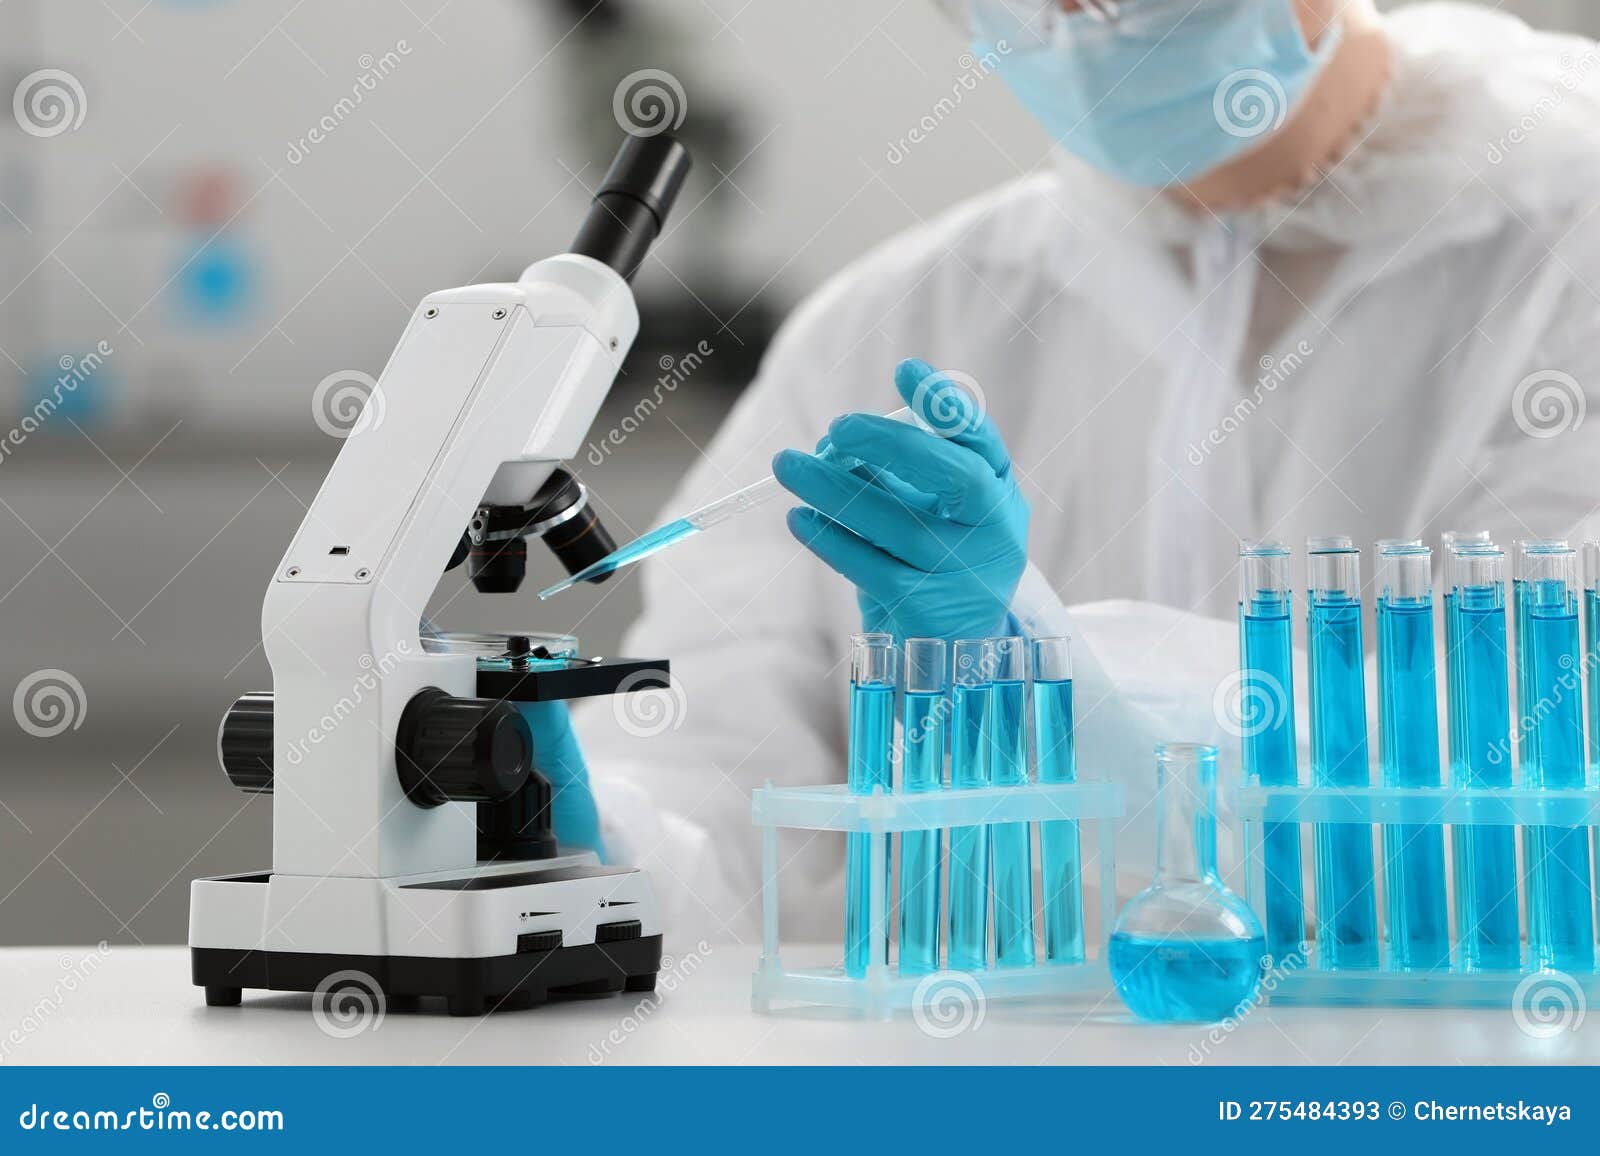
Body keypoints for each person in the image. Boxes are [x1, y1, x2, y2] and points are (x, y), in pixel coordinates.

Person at [545, 0, 1600, 944]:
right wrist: (586, 834)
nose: (1078, 14)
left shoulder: (1569, 241)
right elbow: (720, 774)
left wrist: (1052, 680)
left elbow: (1519, 772)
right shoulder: (899, 317)